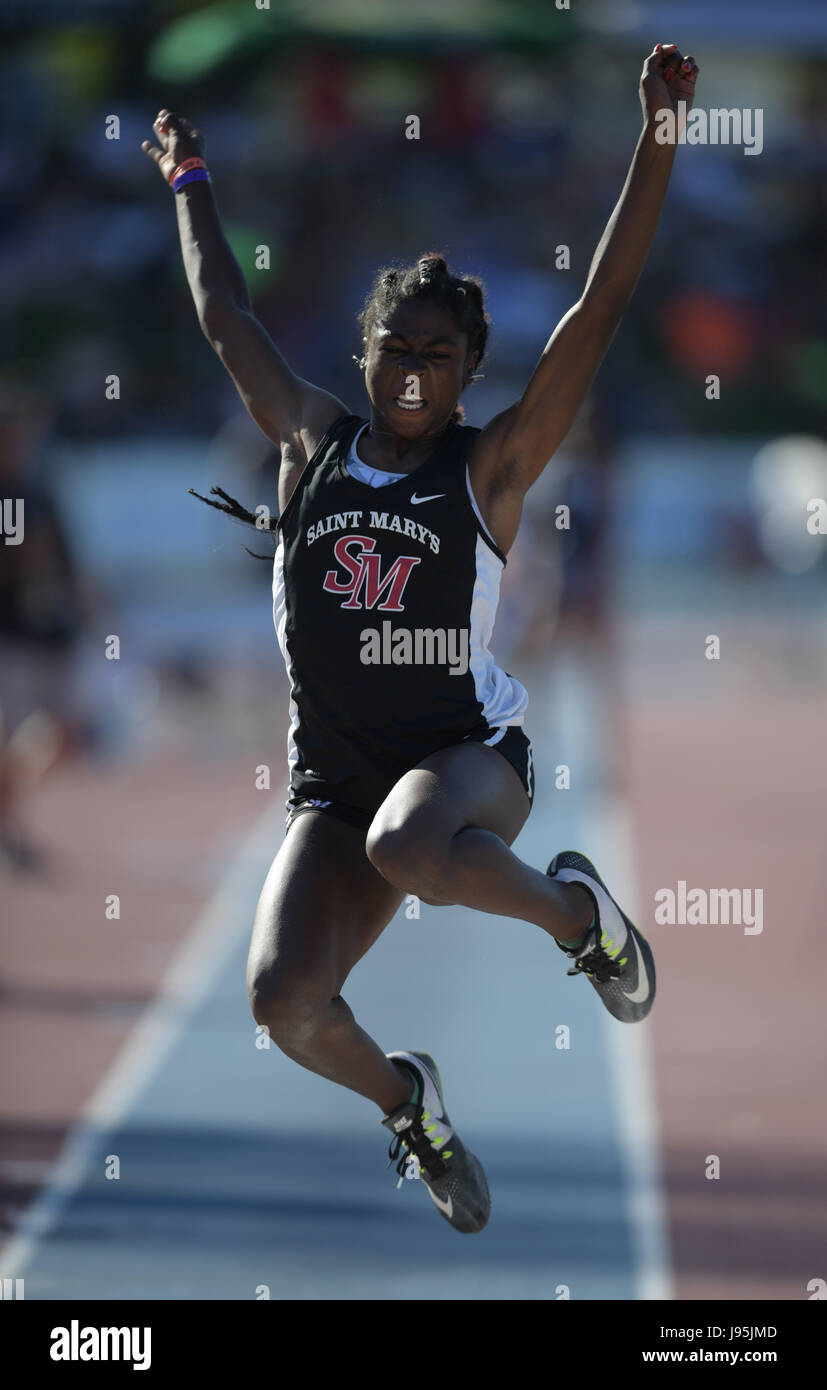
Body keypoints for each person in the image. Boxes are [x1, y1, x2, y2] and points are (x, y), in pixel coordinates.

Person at [142, 43, 698, 1235]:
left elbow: (597, 309)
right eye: (395, 352)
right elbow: (220, 313)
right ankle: (414, 1108)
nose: (409, 376)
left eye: (434, 361)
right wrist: (189, 177)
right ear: (367, 354)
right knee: (282, 1002)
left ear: (465, 375)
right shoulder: (312, 441)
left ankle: (580, 921)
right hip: (330, 785)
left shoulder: (487, 467)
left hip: (462, 760)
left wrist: (658, 133)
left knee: (409, 841)